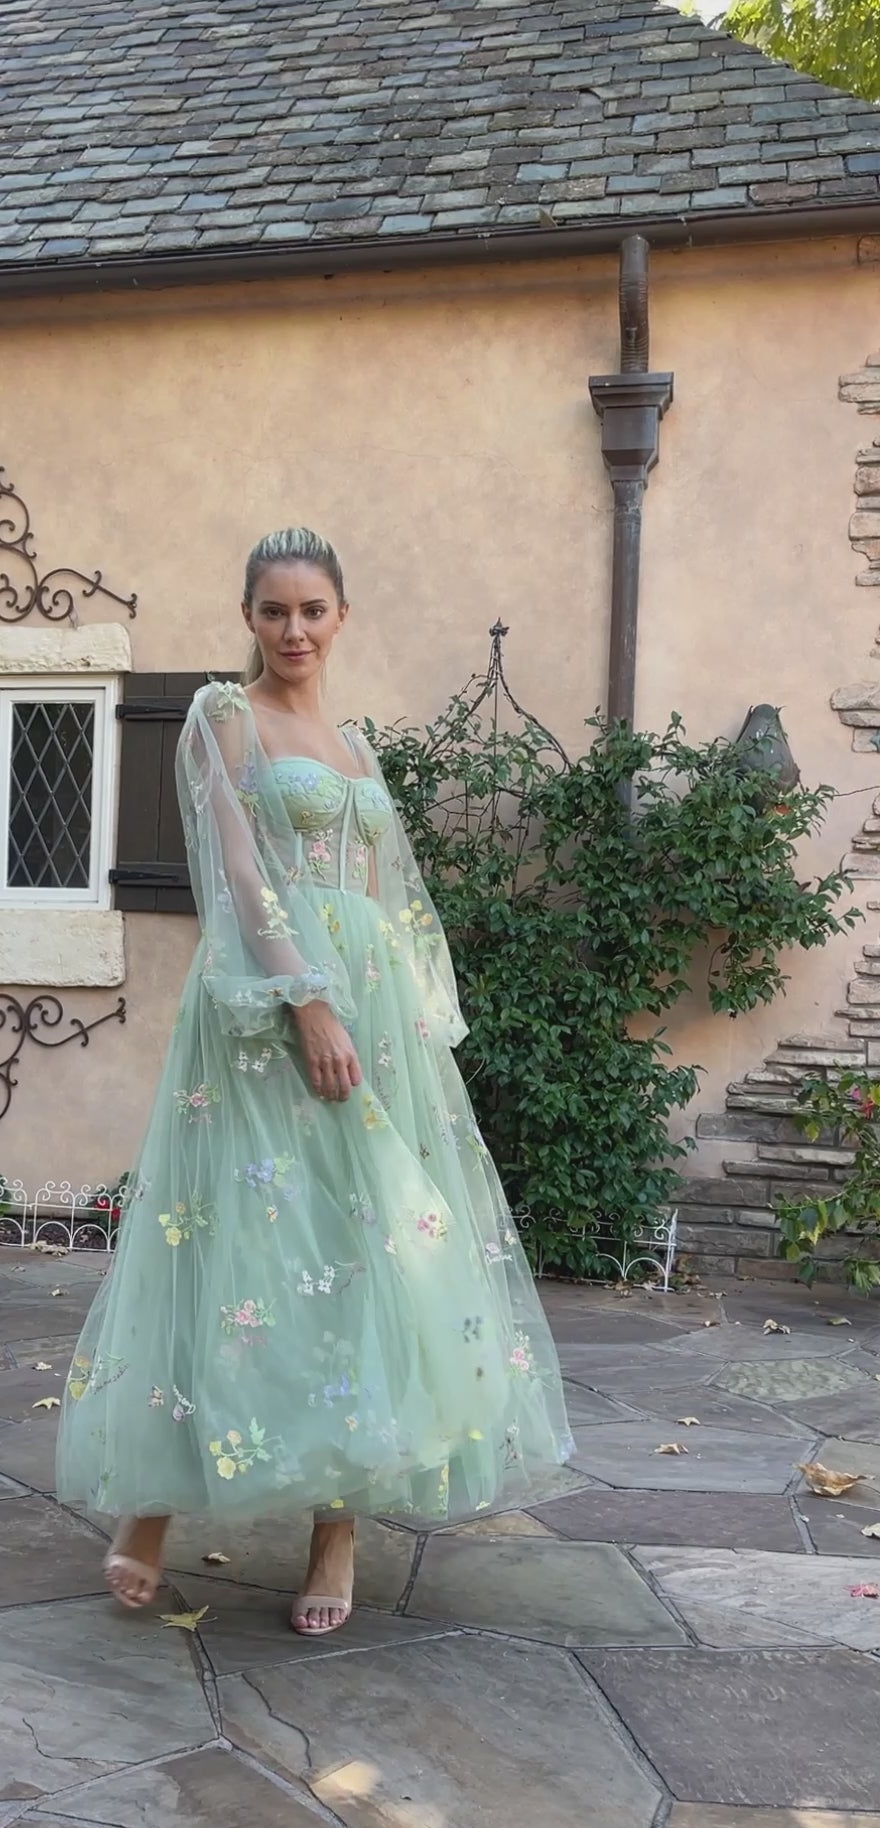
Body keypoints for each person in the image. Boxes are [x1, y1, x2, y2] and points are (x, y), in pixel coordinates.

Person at [56, 527, 573, 1636]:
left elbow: (390, 897)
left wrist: (411, 1016)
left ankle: (336, 1531)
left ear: (342, 617)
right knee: (231, 1238)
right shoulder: (222, 716)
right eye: (274, 610)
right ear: (249, 617)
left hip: (372, 1012)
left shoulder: (357, 746)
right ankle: (150, 1509)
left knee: (362, 1246)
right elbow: (238, 871)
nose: (294, 629)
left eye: (313, 610)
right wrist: (307, 1000)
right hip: (264, 1007)